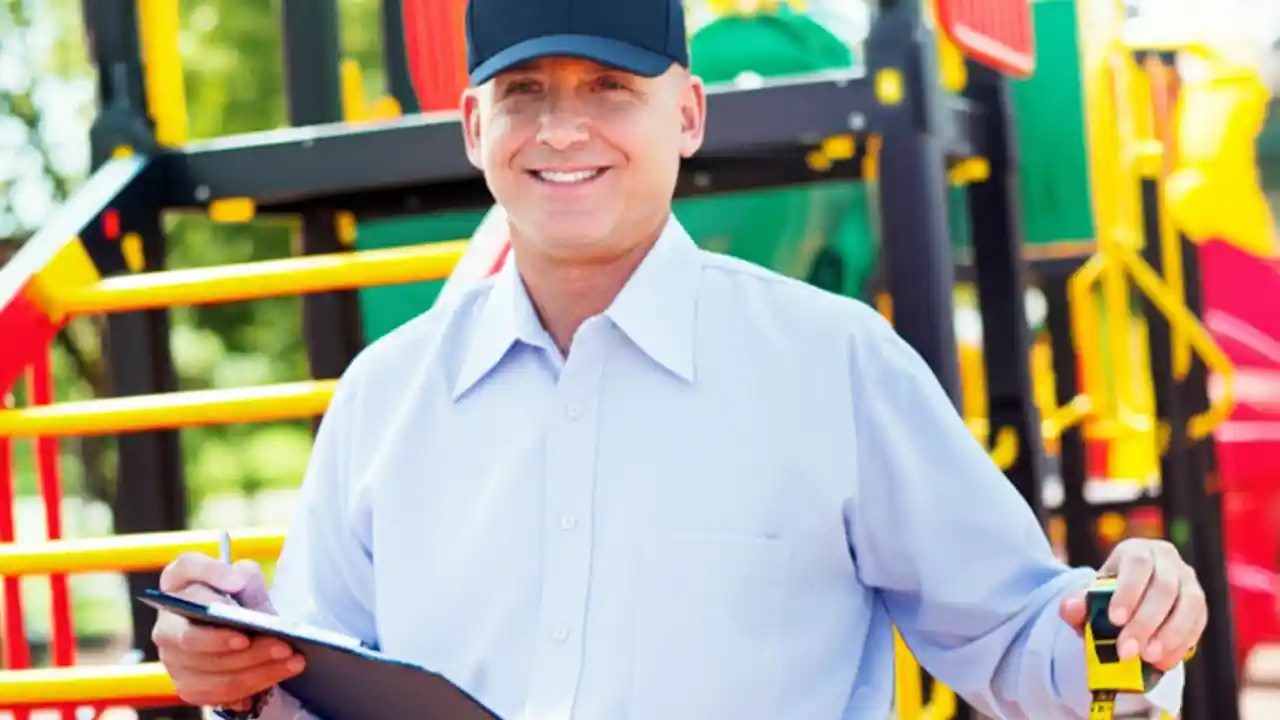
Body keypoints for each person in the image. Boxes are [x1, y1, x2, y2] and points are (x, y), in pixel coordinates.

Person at [151, 0, 1208, 717]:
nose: (562, 128)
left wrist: (1132, 625)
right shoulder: (385, 395)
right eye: (523, 94)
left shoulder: (833, 366)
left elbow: (1027, 648)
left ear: (687, 114)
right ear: (474, 127)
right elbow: (317, 683)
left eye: (609, 86)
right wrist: (235, 672)